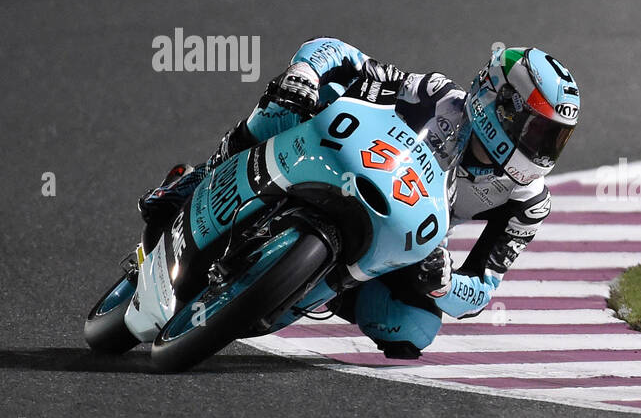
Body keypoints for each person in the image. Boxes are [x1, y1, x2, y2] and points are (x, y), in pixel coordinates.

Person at [139, 38, 581, 358]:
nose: (542, 149)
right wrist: (305, 73)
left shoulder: (528, 202)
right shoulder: (438, 96)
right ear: (499, 102)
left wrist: (445, 283)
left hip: (398, 238)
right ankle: (197, 179)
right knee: (289, 101)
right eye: (536, 130)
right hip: (345, 164)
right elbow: (344, 56)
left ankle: (328, 290)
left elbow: (482, 290)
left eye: (554, 139)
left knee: (414, 327)